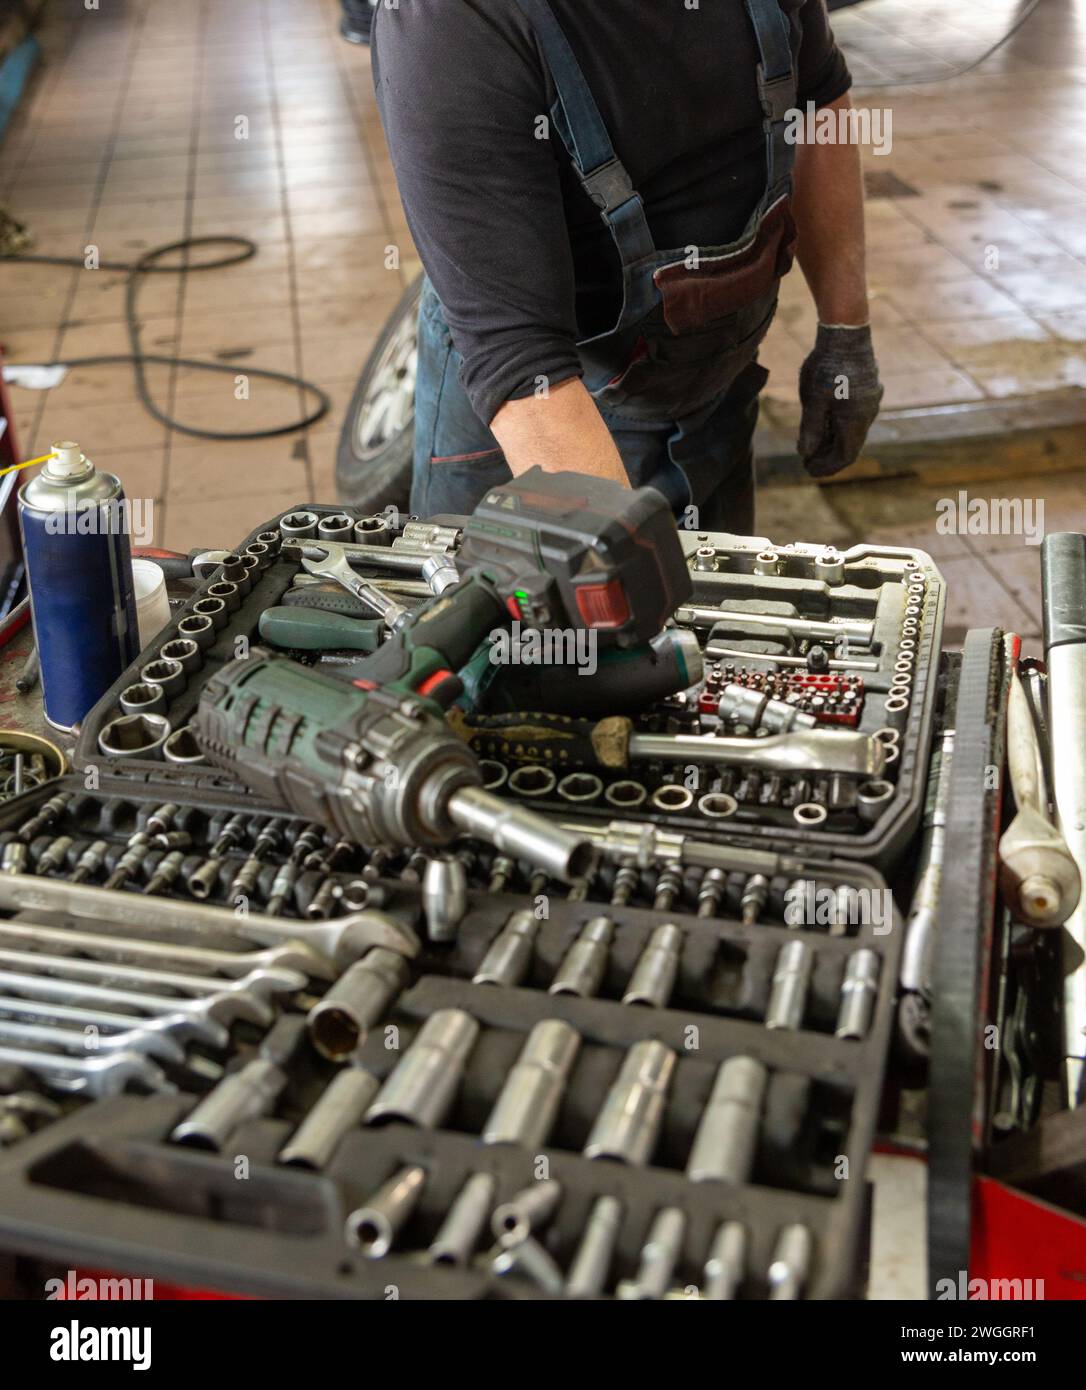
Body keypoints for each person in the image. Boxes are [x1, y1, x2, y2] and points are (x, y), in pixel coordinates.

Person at [373, 0, 883, 528]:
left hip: (712, 399)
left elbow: (818, 99)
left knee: (711, 604)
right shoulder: (451, 21)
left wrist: (846, 334)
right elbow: (521, 362)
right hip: (538, 421)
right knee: (553, 606)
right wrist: (627, 569)